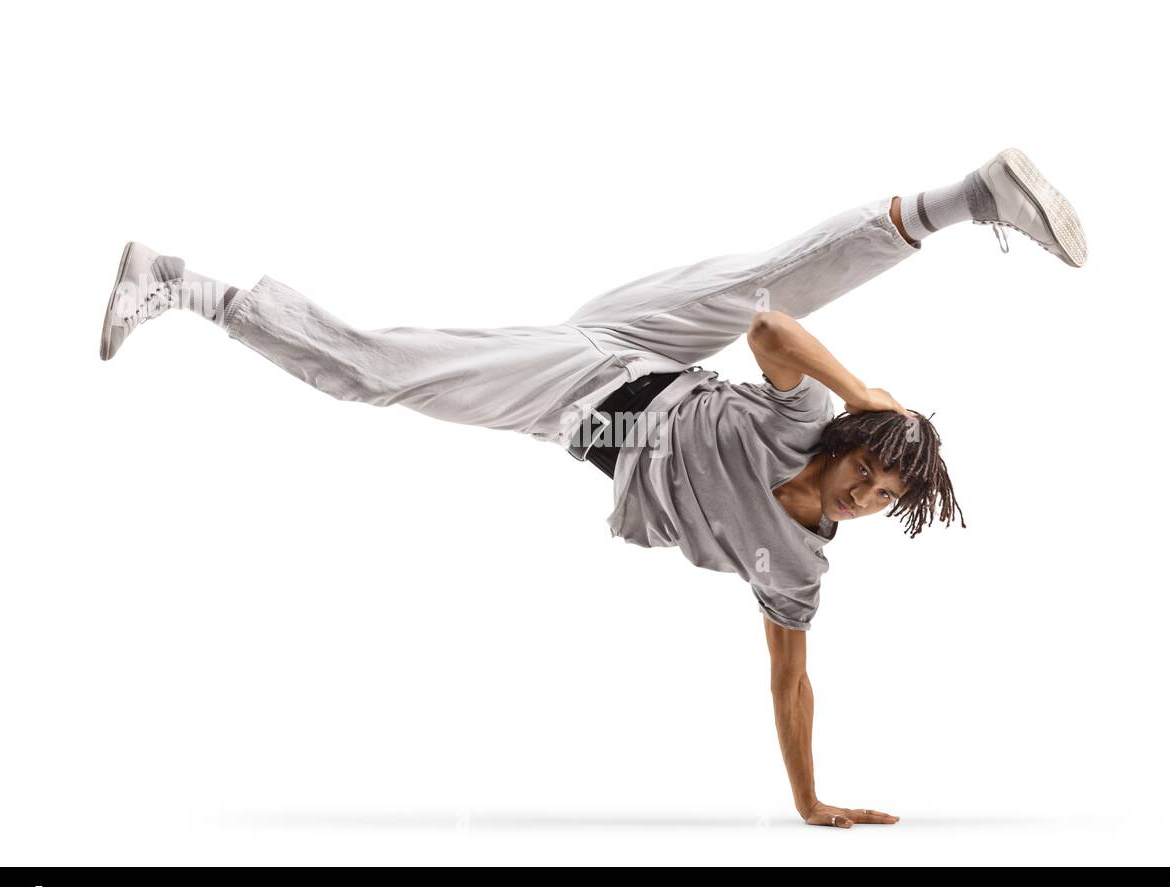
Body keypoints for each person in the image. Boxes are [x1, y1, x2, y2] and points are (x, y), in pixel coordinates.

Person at [99, 147, 1087, 828]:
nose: (860, 490)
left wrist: (809, 800)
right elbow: (775, 335)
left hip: (586, 403)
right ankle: (184, 283)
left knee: (760, 279)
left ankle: (974, 196)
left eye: (878, 493)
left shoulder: (794, 570)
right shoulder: (799, 423)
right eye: (861, 465)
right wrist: (864, 391)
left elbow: (790, 682)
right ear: (841, 445)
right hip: (602, 366)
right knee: (382, 369)